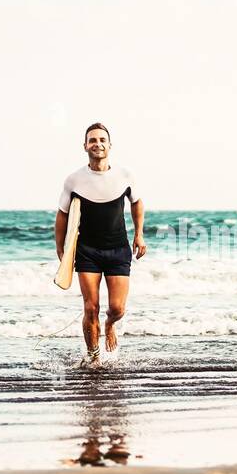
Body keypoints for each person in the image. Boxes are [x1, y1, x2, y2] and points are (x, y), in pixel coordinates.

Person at [55, 122, 146, 365]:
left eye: (102, 140)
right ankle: (94, 356)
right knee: (90, 307)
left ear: (109, 145)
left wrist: (139, 234)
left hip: (118, 249)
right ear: (85, 146)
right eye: (92, 140)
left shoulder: (125, 175)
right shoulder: (74, 180)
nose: (97, 144)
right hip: (87, 251)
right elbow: (62, 214)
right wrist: (61, 248)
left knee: (117, 308)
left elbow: (137, 203)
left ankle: (110, 324)